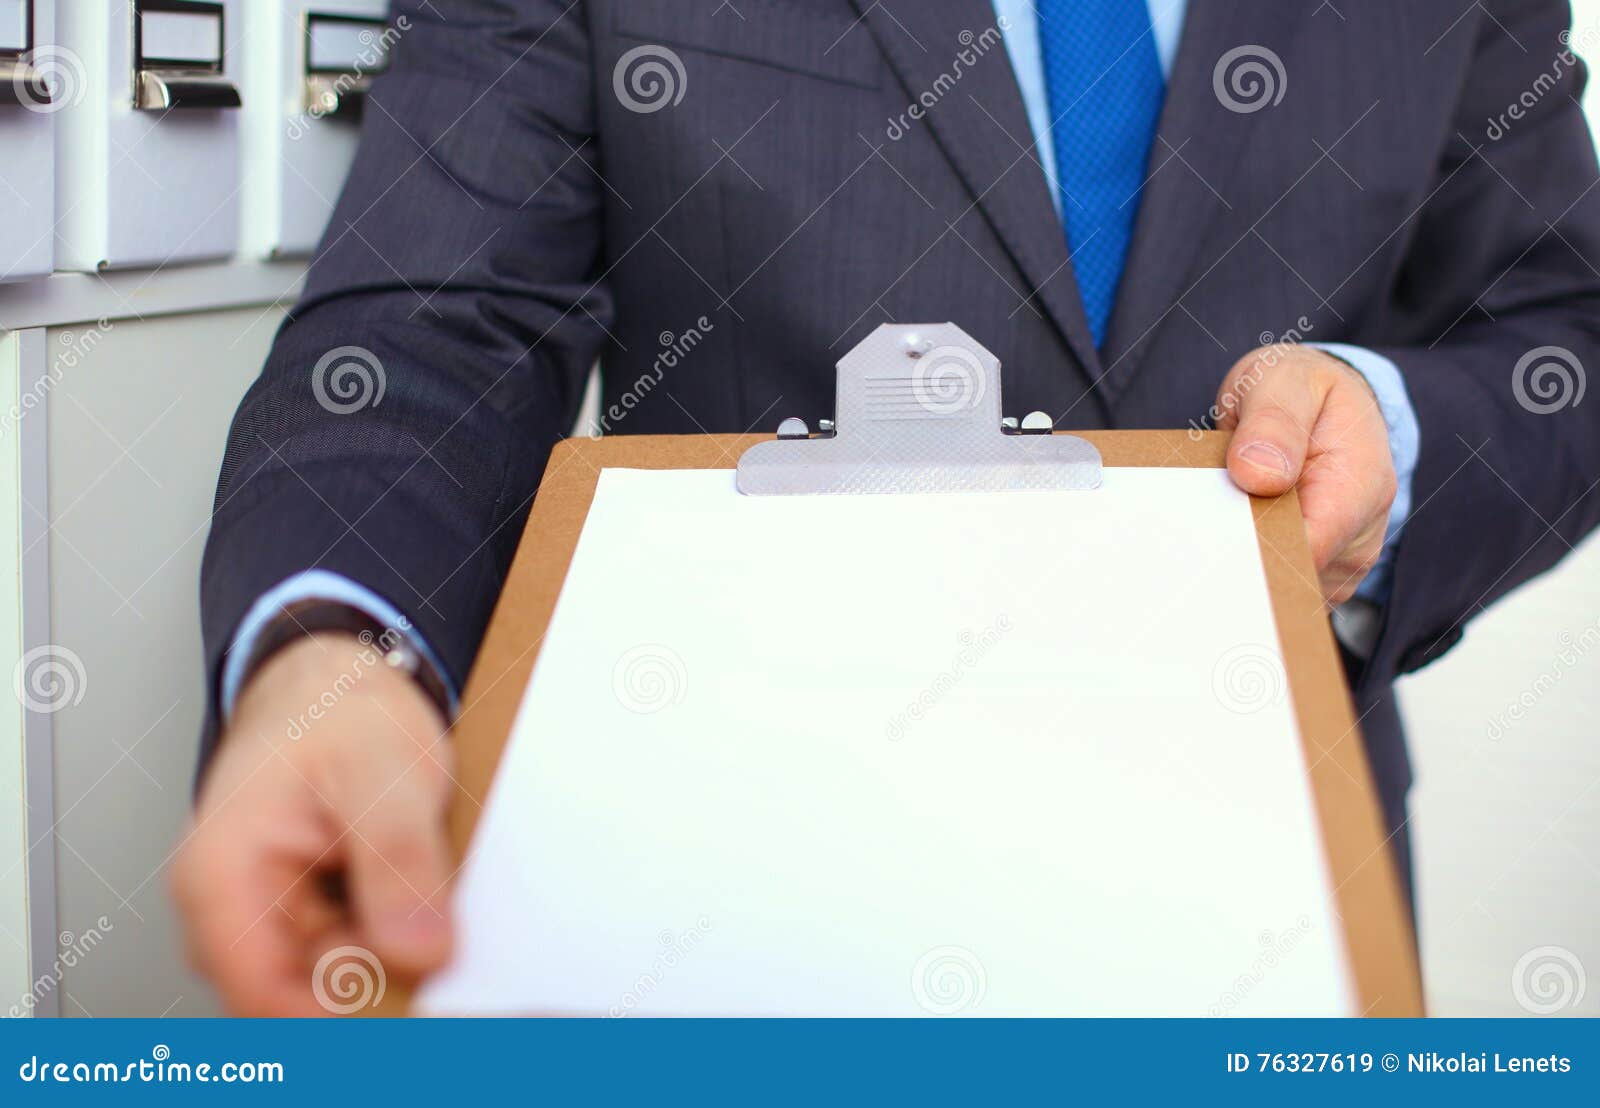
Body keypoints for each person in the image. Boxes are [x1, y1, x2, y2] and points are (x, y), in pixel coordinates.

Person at [173, 0, 1600, 1015]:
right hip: (720, 915)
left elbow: (1561, 339)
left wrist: (1397, 444)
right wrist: (330, 654)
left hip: (1275, 920)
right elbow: (432, 329)